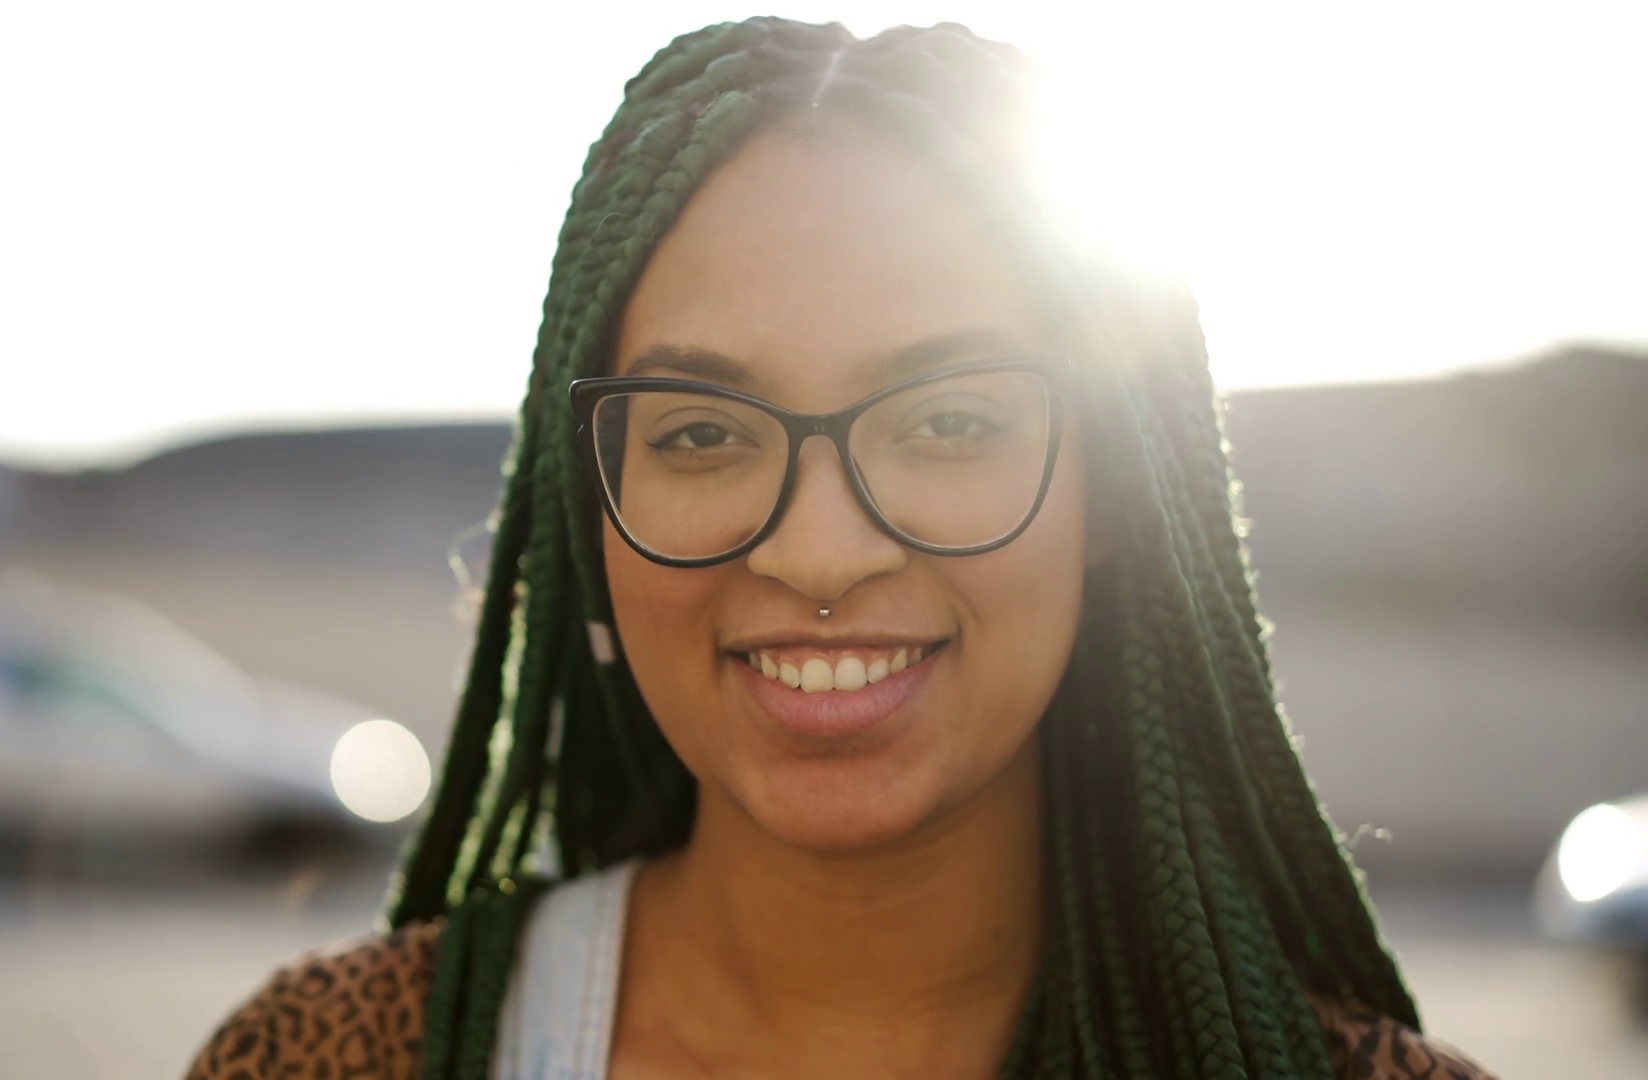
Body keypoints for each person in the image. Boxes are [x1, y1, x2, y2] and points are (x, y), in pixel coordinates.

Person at [188, 18, 1494, 1079]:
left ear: (1113, 495)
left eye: (952, 420)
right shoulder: (336, 1060)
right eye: (701, 434)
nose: (820, 553)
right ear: (586, 510)